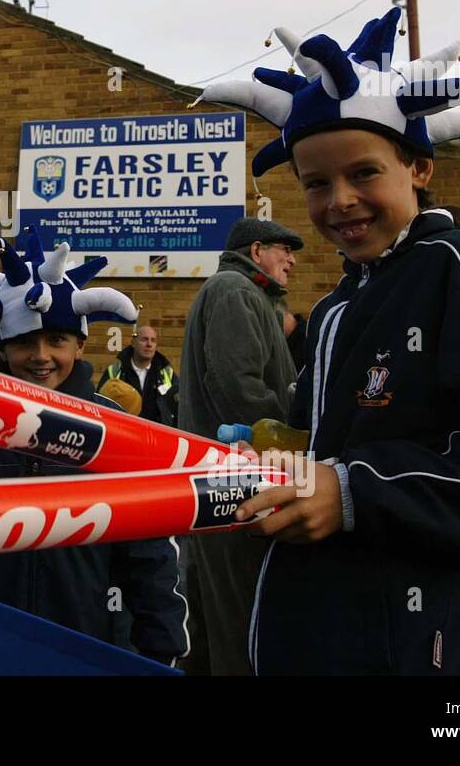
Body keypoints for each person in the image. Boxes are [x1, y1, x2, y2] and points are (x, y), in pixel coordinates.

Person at [196, 7, 460, 674]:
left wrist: (350, 493)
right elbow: (335, 452)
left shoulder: (459, 266)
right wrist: (277, 450)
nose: (339, 200)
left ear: (419, 167)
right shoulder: (339, 303)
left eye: (364, 173)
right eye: (316, 183)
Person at [0, 230, 188, 667]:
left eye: (56, 339)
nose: (40, 356)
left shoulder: (120, 433)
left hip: (85, 648)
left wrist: (160, 650)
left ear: (80, 342)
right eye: (22, 342)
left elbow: (149, 557)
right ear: (0, 344)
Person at [176, 215, 303, 675]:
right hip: (238, 483)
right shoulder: (234, 290)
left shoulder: (243, 293)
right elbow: (240, 387)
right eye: (284, 248)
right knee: (241, 622)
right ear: (256, 252)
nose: (291, 259)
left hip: (226, 482)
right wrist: (296, 437)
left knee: (216, 622)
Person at [97, 323, 178, 426]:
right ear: (133, 343)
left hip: (158, 436)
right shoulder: (115, 372)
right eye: (144, 339)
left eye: (153, 340)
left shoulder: (168, 374)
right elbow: (100, 405)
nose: (149, 344)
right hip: (124, 433)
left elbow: (179, 408)